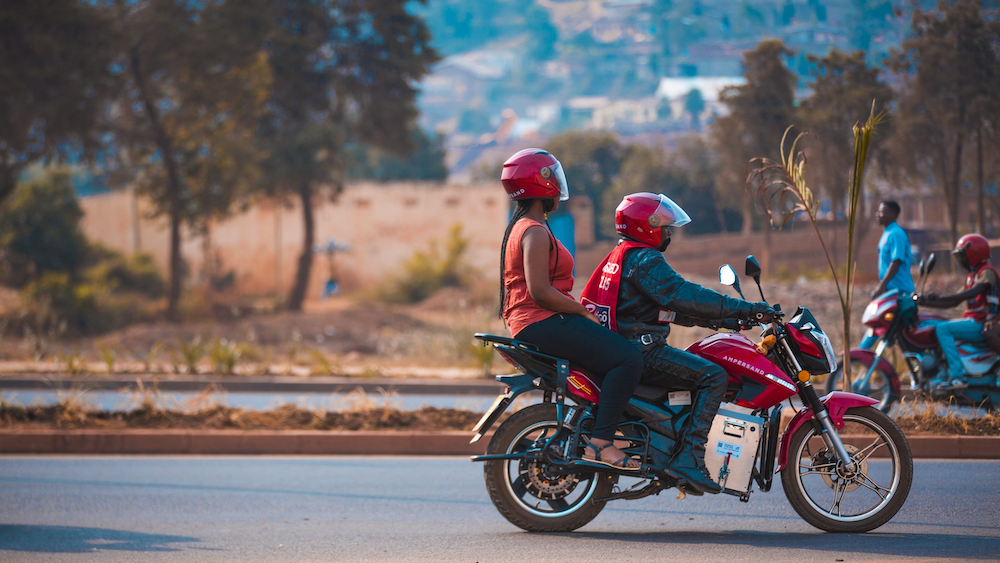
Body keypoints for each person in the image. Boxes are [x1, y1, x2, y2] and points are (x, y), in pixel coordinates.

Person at [580, 192, 774, 494]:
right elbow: (683, 294)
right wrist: (747, 309)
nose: (669, 233)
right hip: (642, 350)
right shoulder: (645, 259)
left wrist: (726, 320)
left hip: (623, 346)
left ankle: (675, 445)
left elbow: (668, 308)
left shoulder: (622, 255)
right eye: (665, 227)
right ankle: (689, 458)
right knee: (713, 375)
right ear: (647, 226)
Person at [499, 148, 644, 470]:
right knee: (628, 357)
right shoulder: (534, 232)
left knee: (609, 357)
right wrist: (581, 312)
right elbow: (539, 291)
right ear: (543, 184)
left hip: (533, 320)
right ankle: (601, 443)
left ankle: (603, 429)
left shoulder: (523, 227)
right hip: (541, 321)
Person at [918, 234, 999, 390]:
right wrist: (927, 301)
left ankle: (957, 376)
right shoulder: (972, 276)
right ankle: (942, 371)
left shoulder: (986, 272)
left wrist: (939, 296)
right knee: (935, 323)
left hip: (982, 322)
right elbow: (954, 301)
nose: (961, 260)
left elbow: (971, 293)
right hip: (975, 321)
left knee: (943, 328)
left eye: (963, 256)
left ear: (974, 254)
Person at [863, 201, 914, 349]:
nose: (878, 214)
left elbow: (896, 260)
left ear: (892, 214)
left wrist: (882, 285)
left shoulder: (896, 234)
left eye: (881, 211)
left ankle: (859, 356)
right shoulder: (887, 233)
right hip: (890, 291)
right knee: (890, 331)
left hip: (899, 292)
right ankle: (860, 358)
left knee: (878, 325)